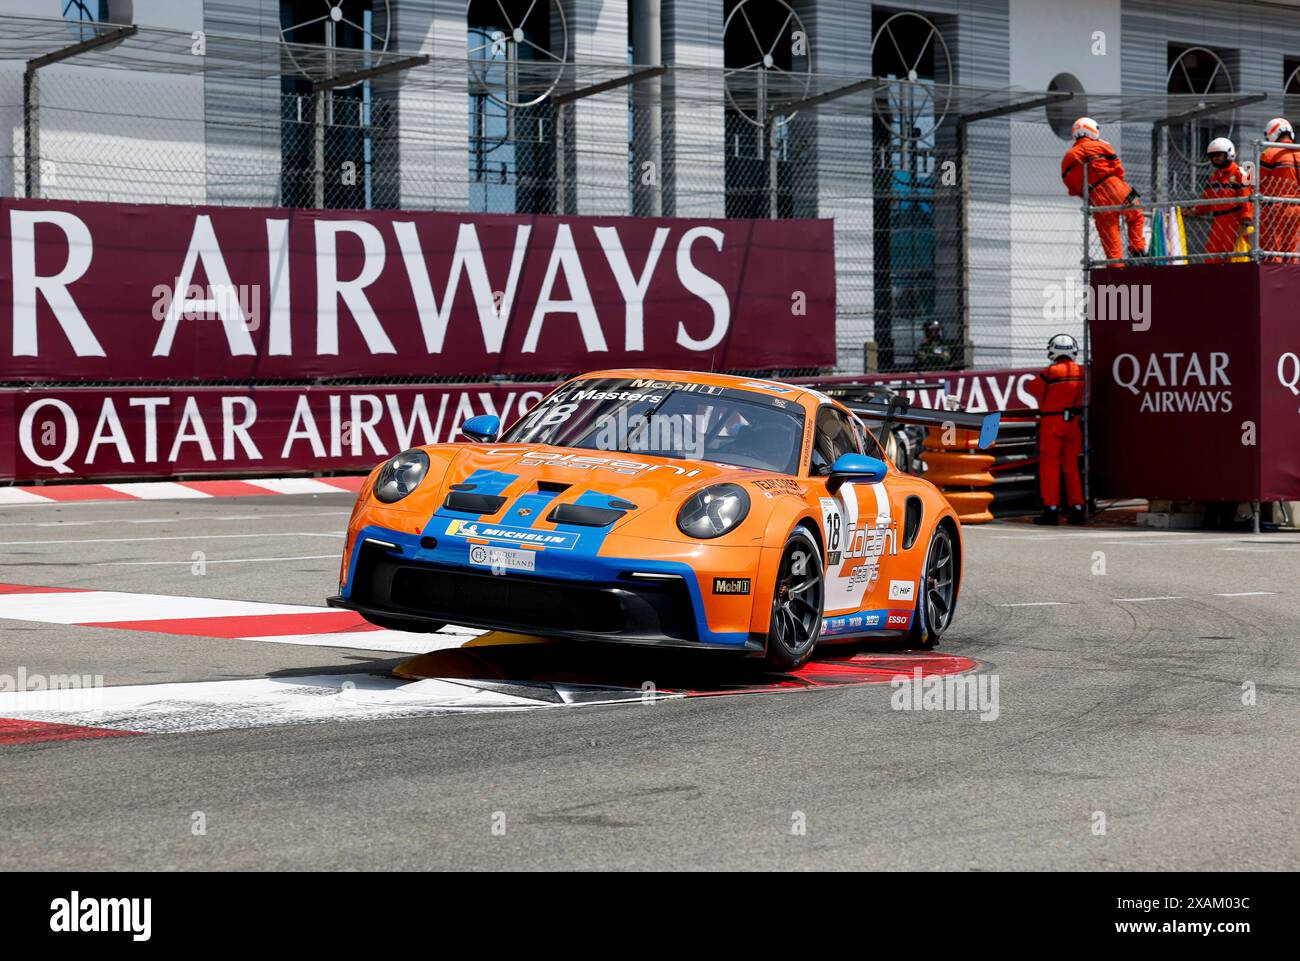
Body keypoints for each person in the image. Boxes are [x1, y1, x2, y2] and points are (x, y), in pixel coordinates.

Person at [1062, 117, 1147, 264]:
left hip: (1097, 197)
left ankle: (1116, 271)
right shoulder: (1102, 146)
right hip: (1117, 187)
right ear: (1091, 130)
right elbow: (1118, 168)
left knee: (1111, 238)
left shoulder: (1068, 158)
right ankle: (1137, 251)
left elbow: (1072, 188)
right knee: (1136, 214)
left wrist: (1087, 195)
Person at [1027, 334, 1087, 526]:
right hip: (1074, 422)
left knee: (1050, 467)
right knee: (1071, 467)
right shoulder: (1082, 371)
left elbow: (1033, 388)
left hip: (1052, 423)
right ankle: (1078, 508)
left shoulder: (1051, 372)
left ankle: (1051, 510)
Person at [1198, 137, 1252, 263]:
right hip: (1217, 222)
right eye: (1212, 156)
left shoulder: (1241, 173)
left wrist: (1246, 221)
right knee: (1212, 257)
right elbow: (1207, 199)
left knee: (1232, 257)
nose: (1215, 158)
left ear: (1229, 154)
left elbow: (1247, 197)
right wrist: (1194, 210)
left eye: (1219, 155)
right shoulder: (1214, 177)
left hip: (1234, 221)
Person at [1259, 118, 1300, 263]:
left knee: (1271, 250)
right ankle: (1292, 283)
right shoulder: (1299, 152)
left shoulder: (1270, 152)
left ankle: (1272, 282)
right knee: (1291, 251)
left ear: (1272, 133)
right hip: (1296, 206)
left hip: (1274, 206)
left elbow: (1255, 180)